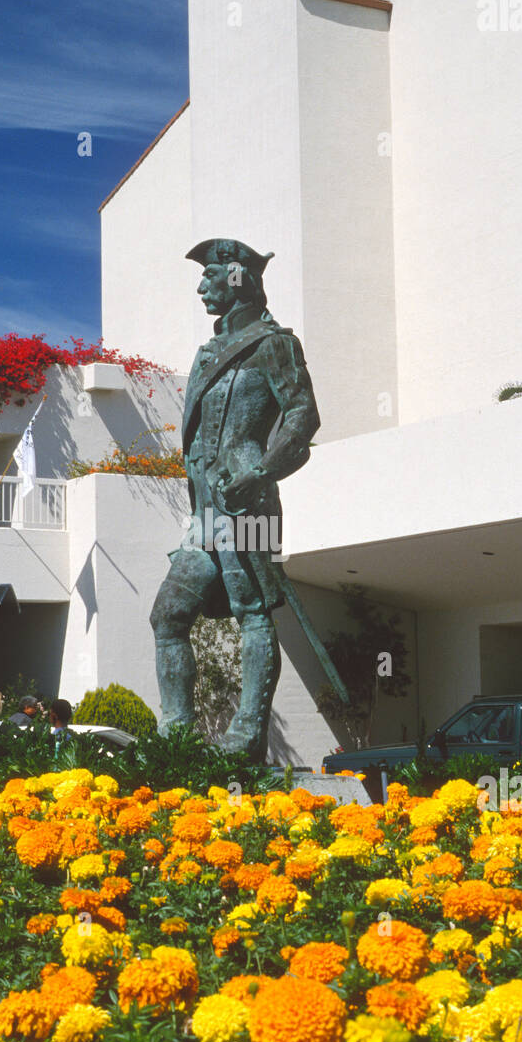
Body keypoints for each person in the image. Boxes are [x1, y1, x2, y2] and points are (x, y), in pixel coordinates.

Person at [150, 237, 320, 759]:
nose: (202, 286)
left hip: (249, 502)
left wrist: (263, 471)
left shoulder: (275, 344)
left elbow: (302, 416)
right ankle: (177, 734)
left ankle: (246, 735)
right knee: (168, 614)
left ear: (239, 279)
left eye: (211, 276)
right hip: (205, 512)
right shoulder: (207, 354)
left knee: (251, 611)